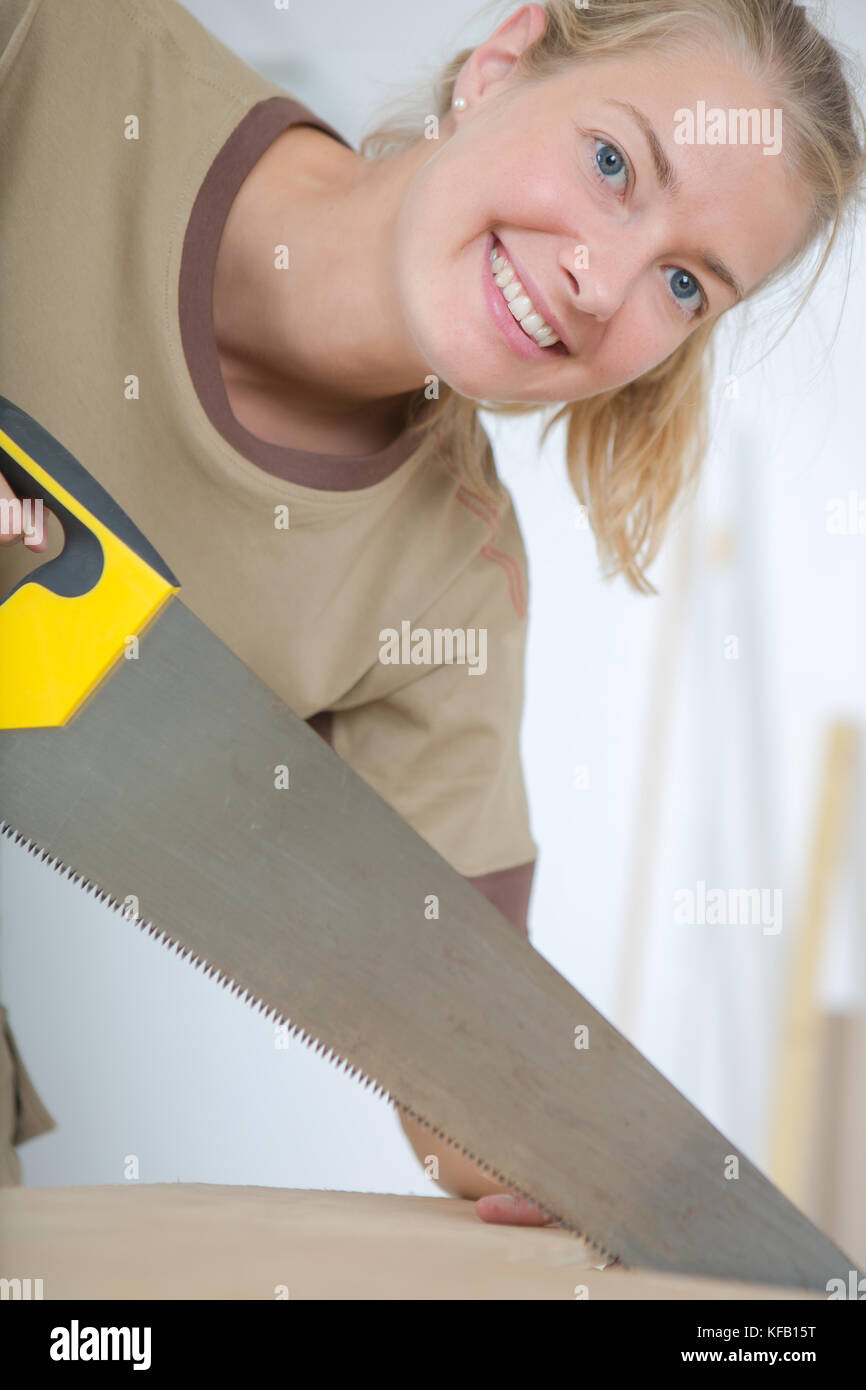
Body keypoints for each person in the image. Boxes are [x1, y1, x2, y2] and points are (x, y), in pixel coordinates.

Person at [0, 0, 863, 1229]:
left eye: (683, 283)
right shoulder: (58, 43)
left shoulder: (453, 584)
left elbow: (457, 1059)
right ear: (503, 62)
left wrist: (591, 1163)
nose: (601, 282)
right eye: (612, 163)